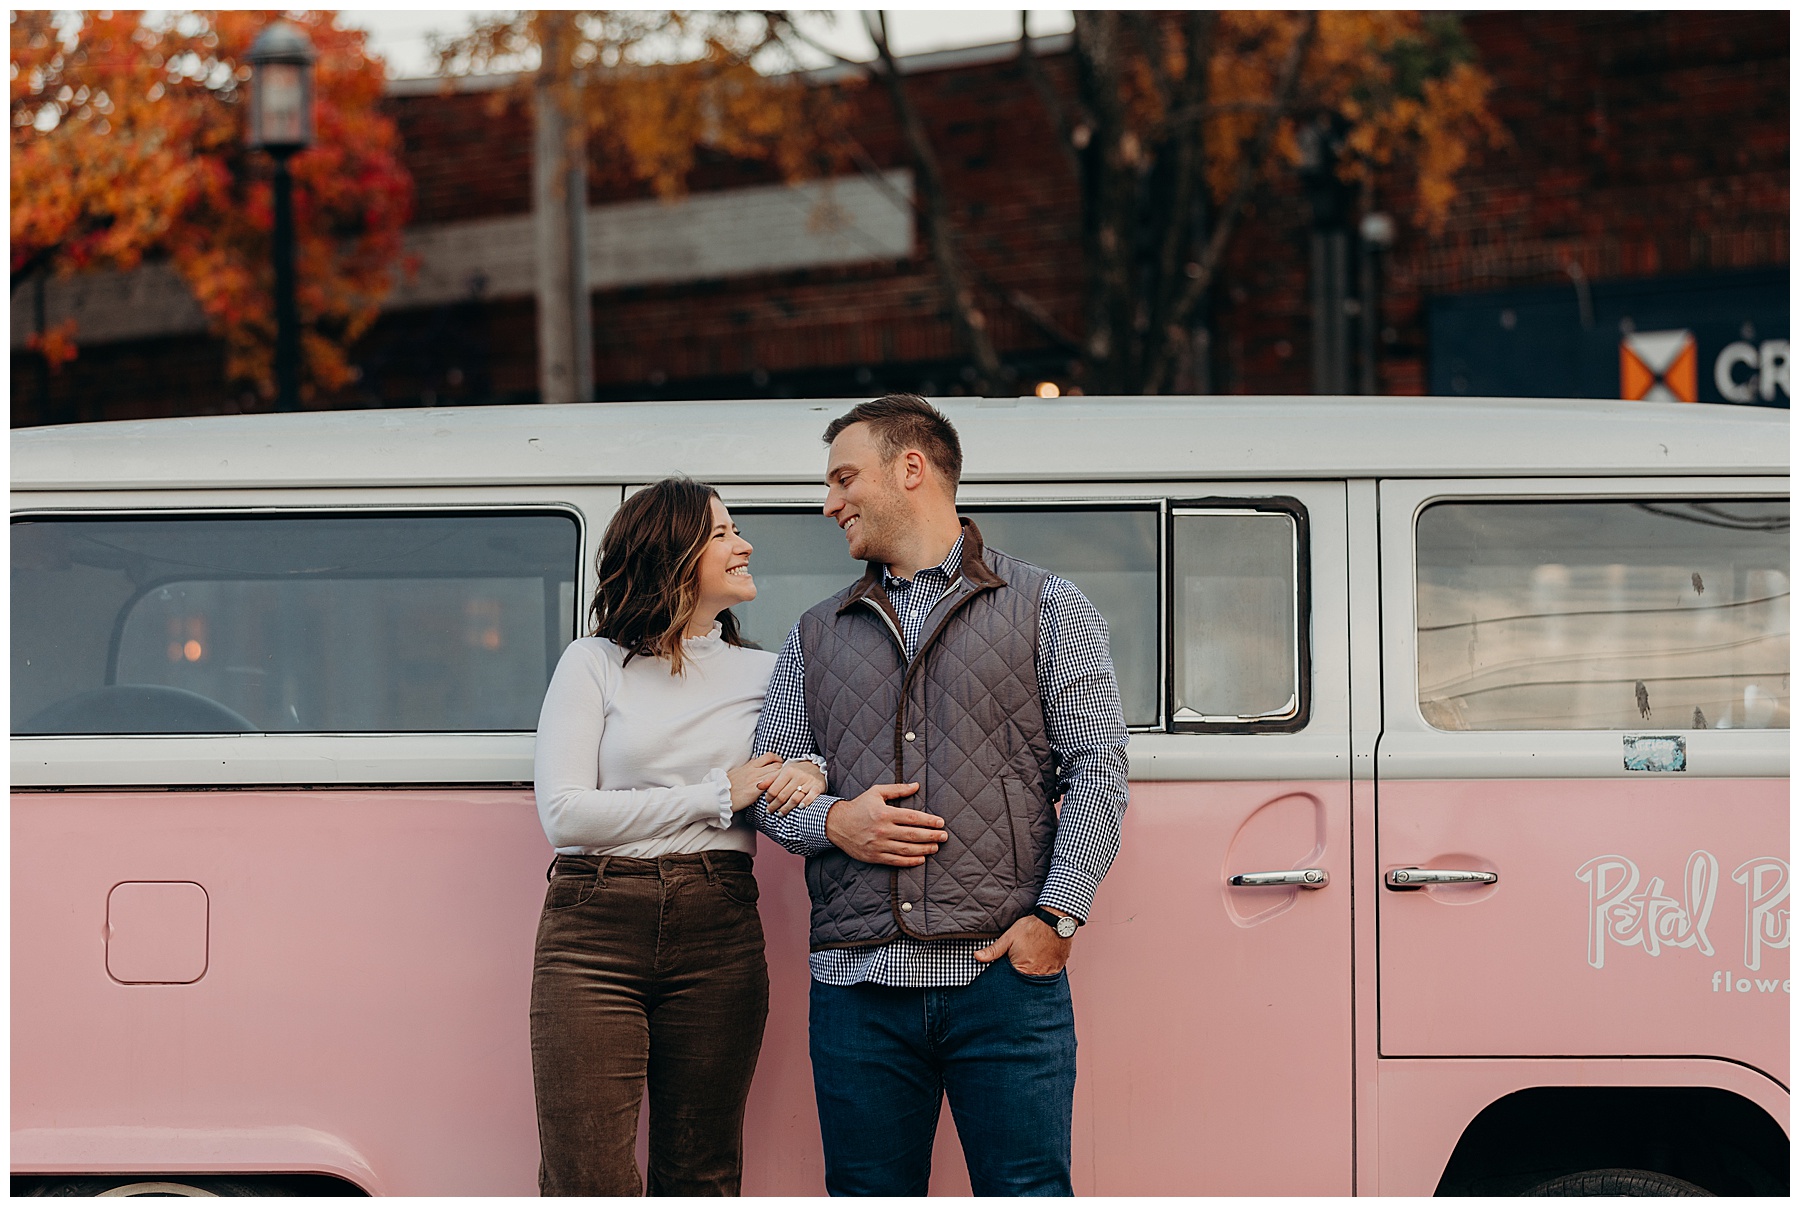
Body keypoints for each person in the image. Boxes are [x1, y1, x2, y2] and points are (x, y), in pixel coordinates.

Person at [752, 394, 1130, 1196]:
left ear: (911, 468)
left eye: (844, 478)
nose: (830, 503)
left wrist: (1059, 915)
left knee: (1027, 1190)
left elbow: (1099, 768)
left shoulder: (1049, 606)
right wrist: (836, 822)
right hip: (858, 991)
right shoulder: (814, 633)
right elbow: (764, 783)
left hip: (1001, 982)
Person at [530, 477, 824, 1196]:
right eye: (722, 532)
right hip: (593, 927)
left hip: (718, 924)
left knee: (702, 1173)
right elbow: (566, 816)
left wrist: (811, 769)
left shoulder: (773, 670)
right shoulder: (593, 662)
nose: (743, 543)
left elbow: (810, 755)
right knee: (585, 1176)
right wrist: (718, 793)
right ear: (673, 554)